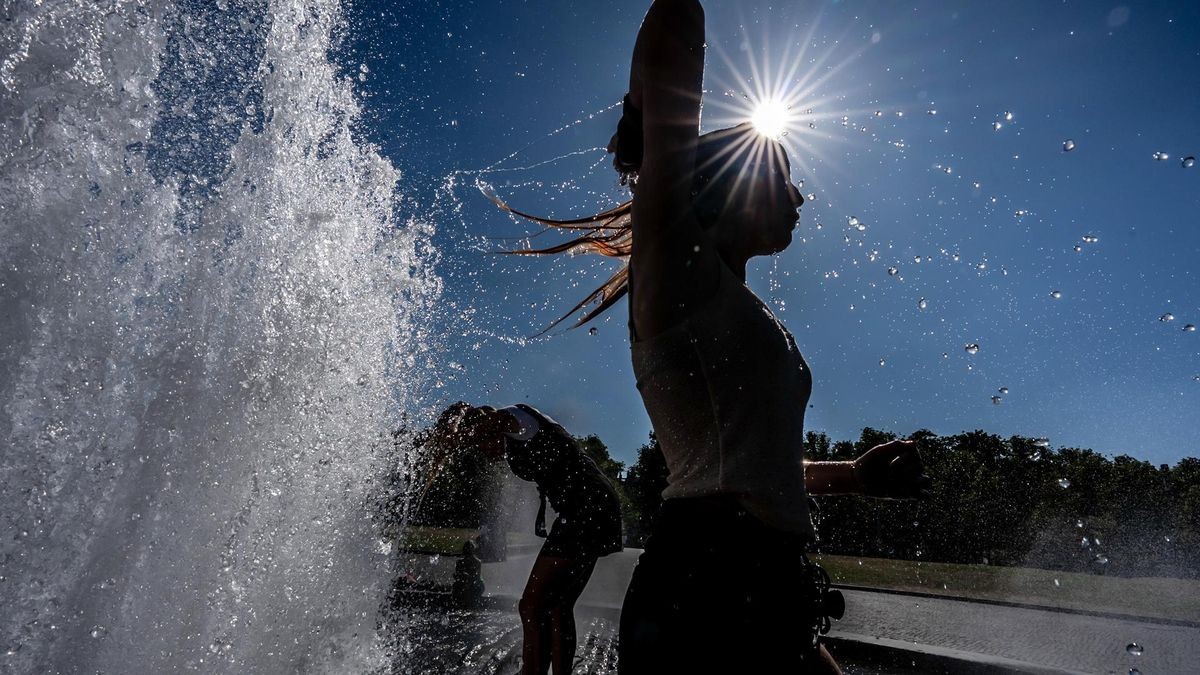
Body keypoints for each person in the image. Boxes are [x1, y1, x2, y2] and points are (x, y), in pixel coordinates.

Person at [489, 1, 931, 671]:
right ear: (734, 188)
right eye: (784, 175)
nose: (801, 196)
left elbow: (753, 466)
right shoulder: (676, 277)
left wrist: (856, 475)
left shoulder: (740, 308)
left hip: (761, 584)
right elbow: (671, 46)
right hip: (707, 588)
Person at [429, 402, 623, 675]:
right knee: (557, 605)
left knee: (531, 604)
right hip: (592, 507)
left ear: (484, 425)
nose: (484, 450)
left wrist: (452, 432)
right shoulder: (513, 432)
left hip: (586, 508)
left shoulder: (515, 418)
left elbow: (489, 422)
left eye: (482, 441)